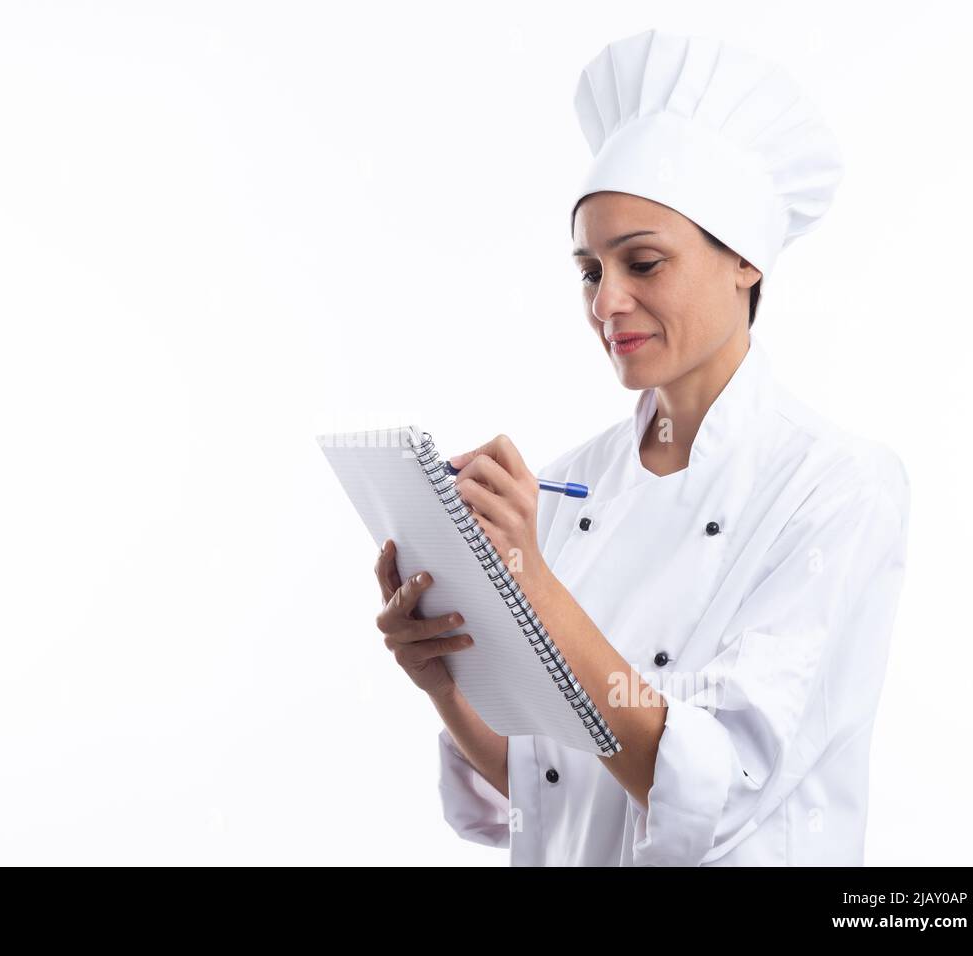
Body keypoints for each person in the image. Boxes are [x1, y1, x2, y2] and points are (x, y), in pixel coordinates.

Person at [372, 28, 910, 865]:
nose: (606, 302)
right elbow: (557, 793)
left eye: (644, 263)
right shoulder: (566, 486)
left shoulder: (838, 489)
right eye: (590, 271)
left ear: (746, 263)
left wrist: (535, 588)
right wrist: (447, 683)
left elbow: (716, 787)